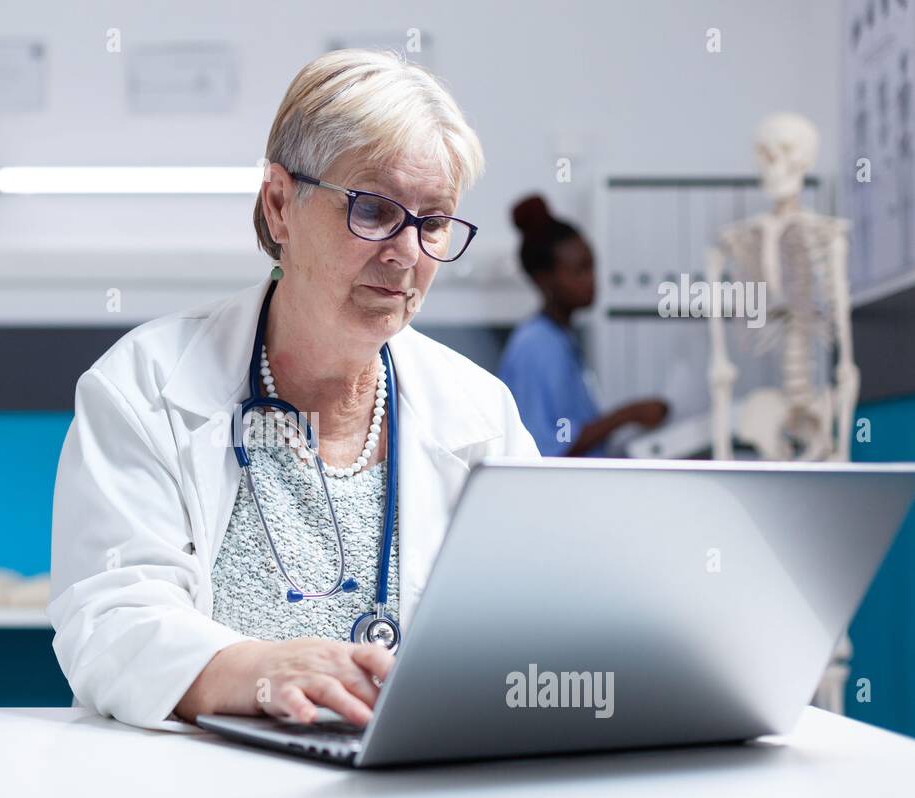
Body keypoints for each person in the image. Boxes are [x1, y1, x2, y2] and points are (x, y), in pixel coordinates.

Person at [46, 49, 540, 733]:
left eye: (432, 222)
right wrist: (266, 671)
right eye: (374, 210)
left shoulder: (481, 415)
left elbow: (537, 624)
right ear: (280, 204)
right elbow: (110, 625)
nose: (406, 254)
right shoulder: (146, 386)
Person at [499, 195, 668, 456]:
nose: (591, 281)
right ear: (545, 280)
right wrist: (627, 415)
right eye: (579, 271)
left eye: (592, 267)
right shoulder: (534, 346)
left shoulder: (561, 338)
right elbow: (545, 451)